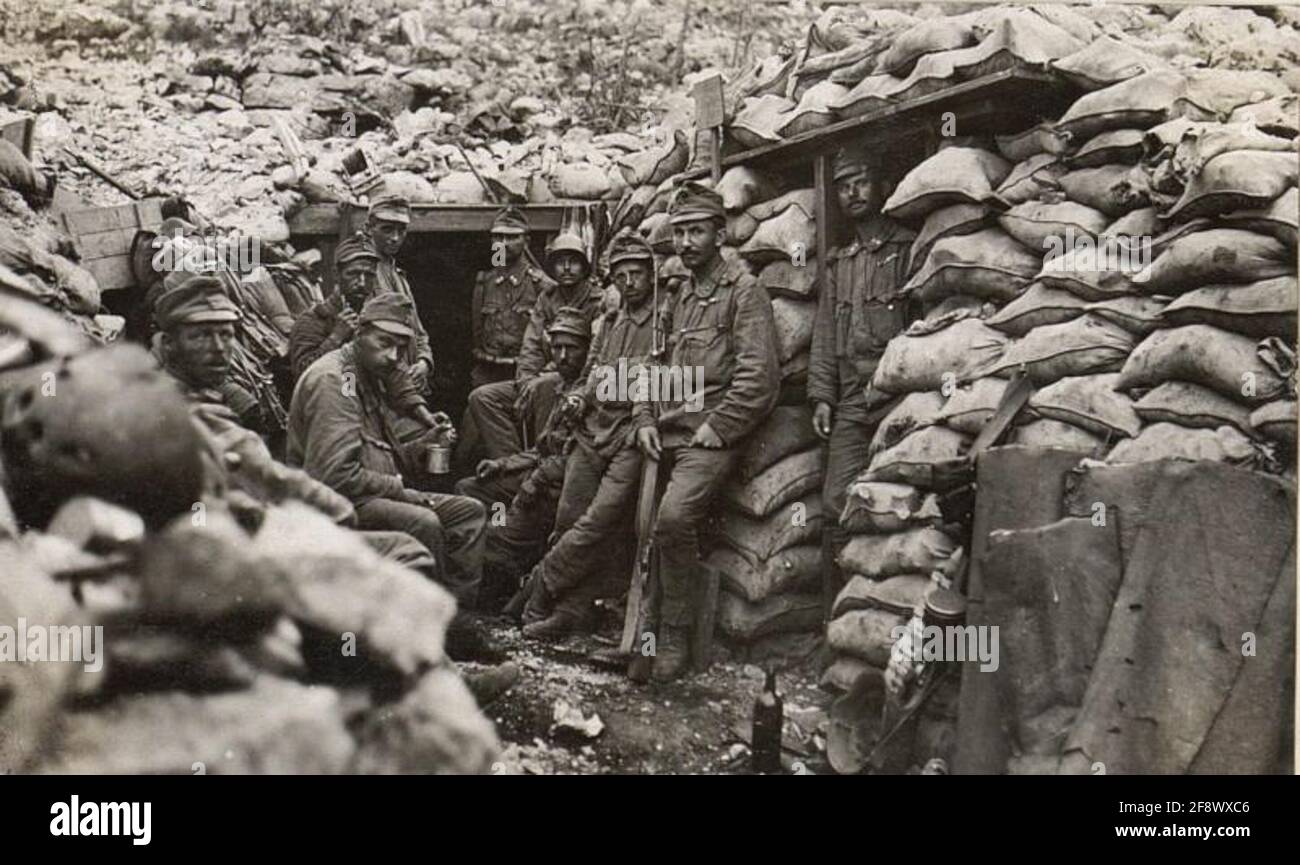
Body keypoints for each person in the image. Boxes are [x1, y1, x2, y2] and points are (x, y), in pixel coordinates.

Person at [631, 182, 780, 681]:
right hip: (669, 428)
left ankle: (674, 632)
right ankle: (641, 633)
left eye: (696, 231)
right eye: (679, 232)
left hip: (711, 434)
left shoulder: (744, 292)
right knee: (633, 519)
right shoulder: (678, 295)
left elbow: (759, 378)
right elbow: (652, 366)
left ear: (720, 234)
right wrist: (644, 417)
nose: (685, 242)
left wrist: (720, 427)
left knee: (673, 519)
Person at [286, 292, 487, 606]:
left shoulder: (369, 373)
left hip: (366, 493)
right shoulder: (336, 381)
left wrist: (423, 446)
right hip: (336, 504)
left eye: (401, 347)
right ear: (359, 333)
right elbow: (333, 476)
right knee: (423, 521)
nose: (394, 356)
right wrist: (399, 489)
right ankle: (420, 618)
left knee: (468, 513)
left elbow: (377, 453)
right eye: (385, 342)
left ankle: (455, 613)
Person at [517, 232, 665, 641]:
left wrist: (622, 394)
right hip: (591, 430)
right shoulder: (609, 322)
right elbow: (591, 371)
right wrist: (580, 398)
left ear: (651, 275)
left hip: (630, 435)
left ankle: (540, 588)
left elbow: (662, 379)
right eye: (621, 276)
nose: (629, 283)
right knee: (567, 520)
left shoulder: (663, 321)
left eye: (637, 274)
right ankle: (569, 612)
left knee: (597, 523)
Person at [809, 147, 917, 614]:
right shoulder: (839, 262)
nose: (853, 193)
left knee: (899, 498)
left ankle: (894, 607)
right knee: (837, 500)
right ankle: (848, 610)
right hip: (852, 398)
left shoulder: (906, 248)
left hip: (899, 394)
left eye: (861, 183)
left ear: (883, 187)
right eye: (843, 186)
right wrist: (822, 396)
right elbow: (824, 332)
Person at [456, 307, 593, 611]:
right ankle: (495, 561)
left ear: (587, 350)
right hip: (537, 478)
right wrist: (502, 464)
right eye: (556, 348)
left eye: (571, 348)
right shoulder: (555, 387)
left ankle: (503, 584)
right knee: (470, 489)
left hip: (558, 493)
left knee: (496, 538)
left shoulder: (588, 396)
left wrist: (536, 480)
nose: (562, 356)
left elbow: (577, 456)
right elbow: (543, 450)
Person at [466, 230, 602, 461]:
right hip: (527, 375)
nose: (566, 268)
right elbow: (532, 345)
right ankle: (511, 465)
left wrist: (543, 377)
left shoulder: (597, 301)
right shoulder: (545, 298)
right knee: (482, 398)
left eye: (573, 262)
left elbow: (597, 352)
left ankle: (541, 462)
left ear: (584, 266)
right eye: (560, 262)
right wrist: (526, 382)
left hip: (577, 382)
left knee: (544, 388)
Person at [289, 232, 444, 433]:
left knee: (428, 434)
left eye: (369, 275)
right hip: (327, 413)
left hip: (370, 410)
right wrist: (336, 336)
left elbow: (394, 371)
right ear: (336, 274)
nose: (362, 282)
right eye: (353, 274)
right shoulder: (312, 320)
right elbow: (304, 375)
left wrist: (422, 413)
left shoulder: (374, 317)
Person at [153, 273, 269, 437]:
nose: (218, 347)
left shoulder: (231, 399)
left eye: (225, 334)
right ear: (169, 343)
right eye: (201, 336)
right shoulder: (153, 410)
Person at [470, 207, 552, 389]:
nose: (504, 243)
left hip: (526, 372)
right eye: (498, 238)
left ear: (526, 241)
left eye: (513, 237)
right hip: (489, 371)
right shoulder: (485, 282)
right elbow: (477, 330)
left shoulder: (541, 285)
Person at [366, 192, 434, 397]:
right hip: (379, 383)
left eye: (401, 230)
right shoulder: (362, 274)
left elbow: (417, 329)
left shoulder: (399, 276)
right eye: (387, 229)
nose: (395, 238)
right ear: (369, 228)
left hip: (406, 382)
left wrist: (424, 362)